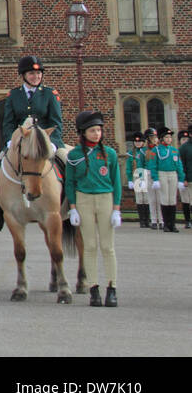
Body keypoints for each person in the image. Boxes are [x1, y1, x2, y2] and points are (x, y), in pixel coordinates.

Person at [0, 55, 64, 231]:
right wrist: (10, 140)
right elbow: (8, 122)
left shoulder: (50, 94)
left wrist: (54, 143)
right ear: (23, 75)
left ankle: (71, 204)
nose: (36, 76)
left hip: (45, 143)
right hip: (19, 143)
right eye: (32, 73)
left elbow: (56, 122)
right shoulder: (13, 95)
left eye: (39, 73)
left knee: (67, 163)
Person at [63, 111, 122, 307]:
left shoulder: (110, 154)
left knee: (108, 247)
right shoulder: (74, 155)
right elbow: (70, 183)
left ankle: (111, 288)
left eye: (98, 130)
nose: (97, 134)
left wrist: (116, 208)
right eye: (92, 130)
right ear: (83, 133)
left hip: (105, 199)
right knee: (89, 246)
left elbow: (116, 182)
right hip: (83, 200)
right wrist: (72, 207)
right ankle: (93, 288)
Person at [151, 127, 187, 233]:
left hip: (173, 174)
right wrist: (155, 179)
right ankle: (166, 224)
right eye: (166, 137)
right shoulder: (156, 150)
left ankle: (173, 224)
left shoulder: (174, 150)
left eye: (170, 137)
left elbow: (179, 165)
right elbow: (153, 165)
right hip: (162, 174)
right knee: (165, 199)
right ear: (162, 139)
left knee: (172, 199)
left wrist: (181, 178)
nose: (168, 139)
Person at [128, 132, 153, 228]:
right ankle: (142, 220)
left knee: (146, 198)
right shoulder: (131, 153)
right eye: (136, 142)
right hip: (137, 175)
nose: (137, 143)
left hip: (146, 174)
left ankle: (147, 219)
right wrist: (130, 179)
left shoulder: (146, 151)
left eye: (140, 142)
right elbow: (128, 167)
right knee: (139, 198)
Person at [179, 129, 192, 229]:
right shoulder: (184, 148)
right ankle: (188, 220)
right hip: (188, 178)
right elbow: (181, 164)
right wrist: (183, 178)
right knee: (186, 201)